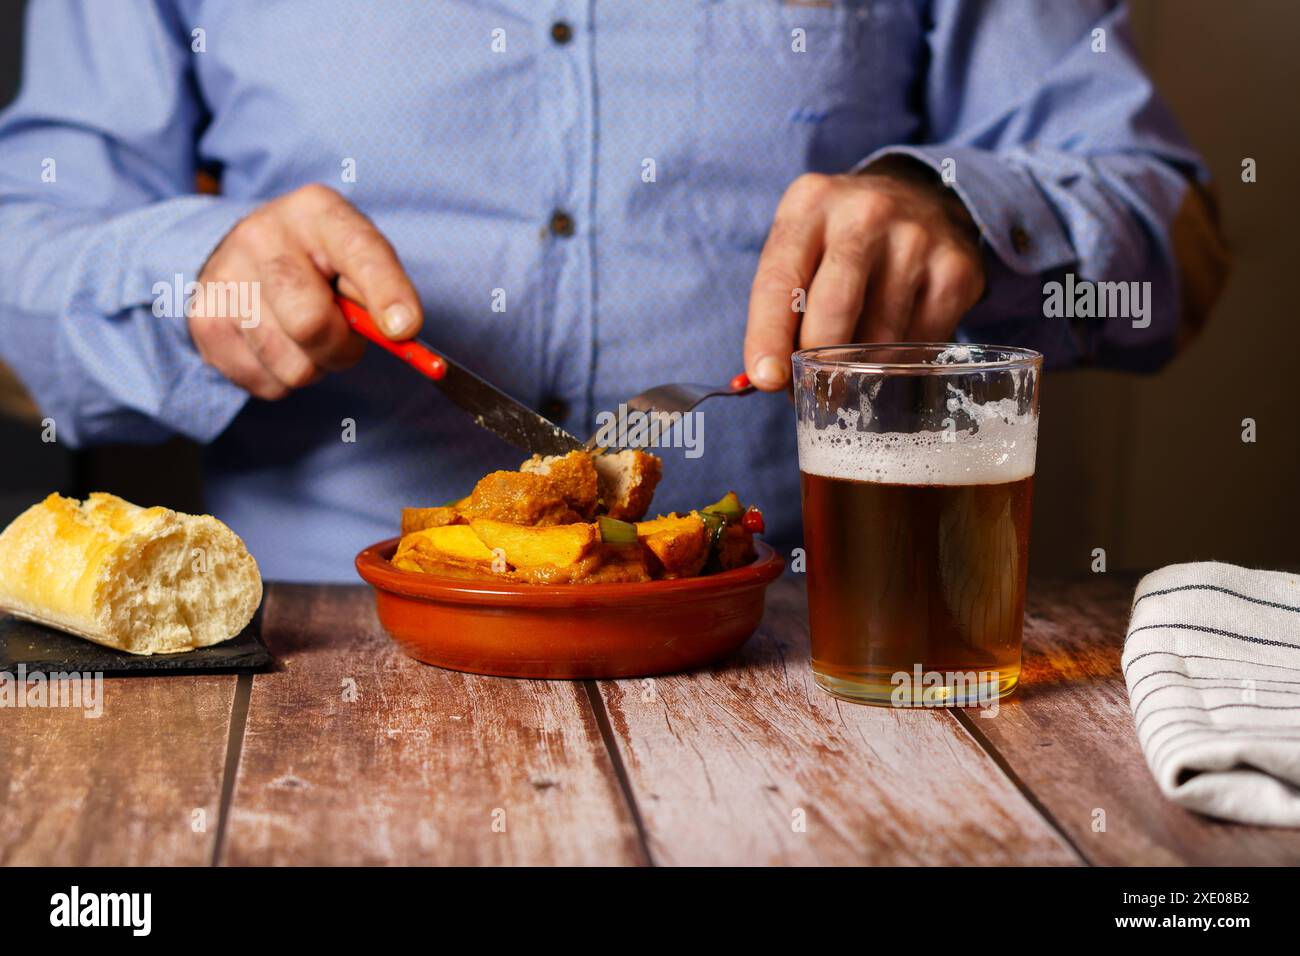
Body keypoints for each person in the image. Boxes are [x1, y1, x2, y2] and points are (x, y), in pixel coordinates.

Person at [0, 1, 1225, 581]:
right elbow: (23, 257)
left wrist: (967, 213)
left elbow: (1182, 246)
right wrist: (189, 273)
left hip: (816, 644)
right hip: (310, 660)